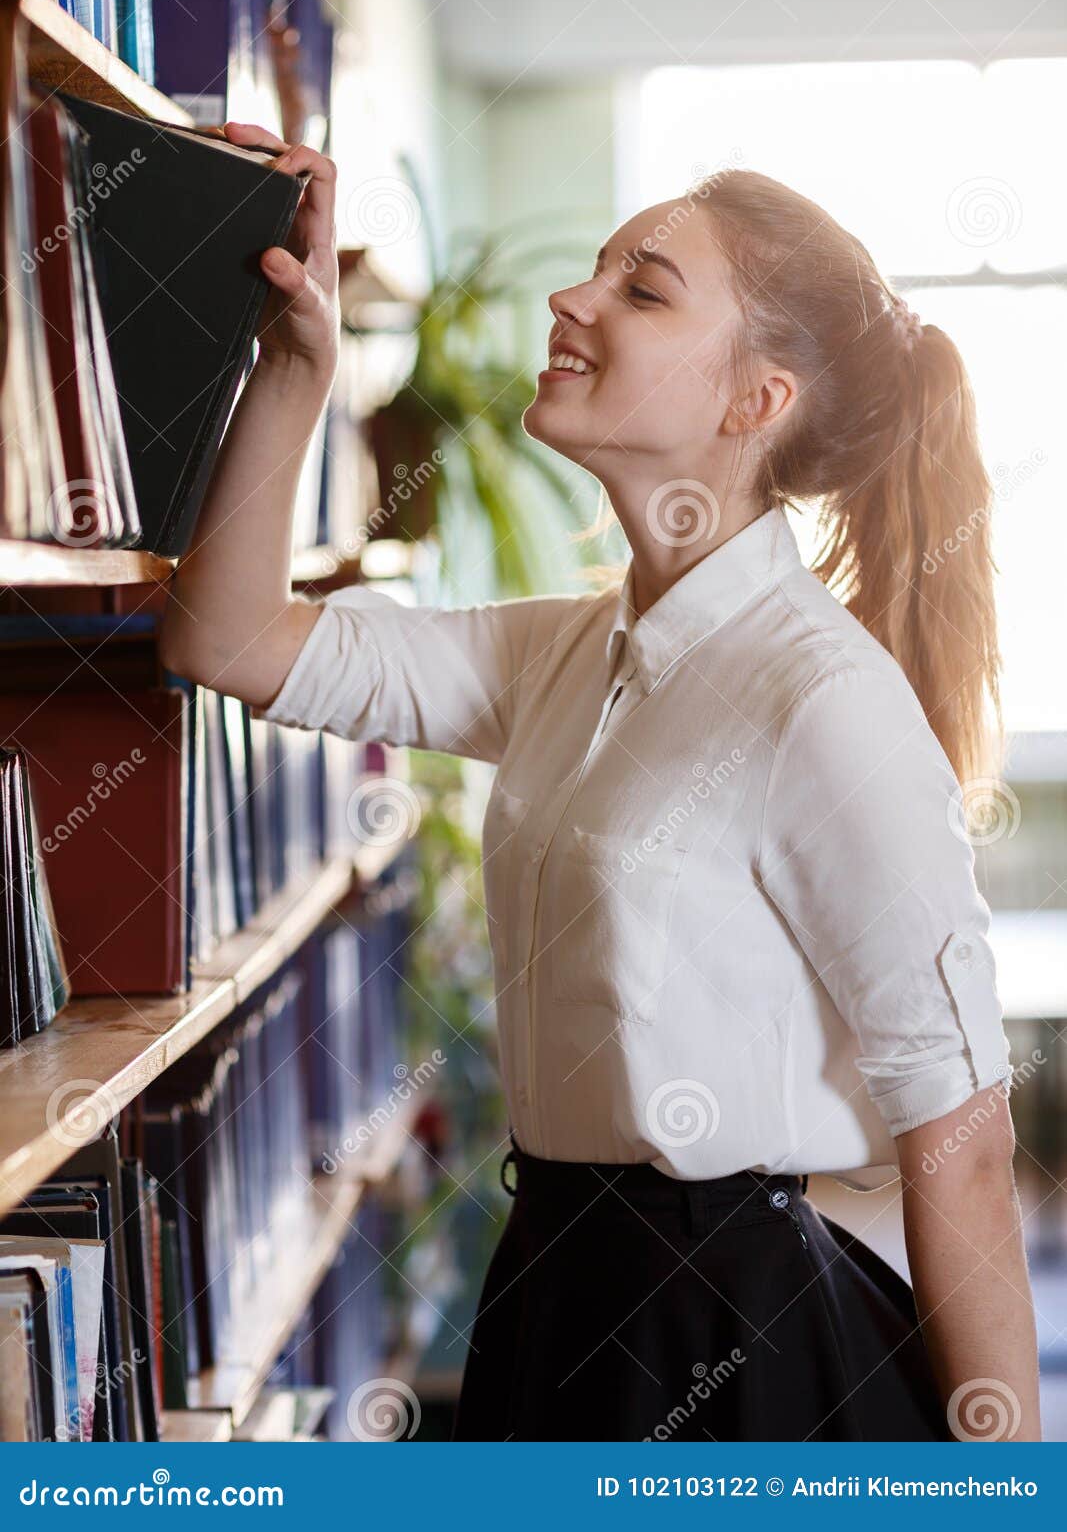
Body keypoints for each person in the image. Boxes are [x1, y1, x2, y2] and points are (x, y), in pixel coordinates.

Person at [160, 125, 1041, 1443]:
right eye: (596, 270)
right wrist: (298, 367)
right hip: (553, 1285)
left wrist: (1005, 1488)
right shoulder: (566, 651)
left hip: (726, 1338)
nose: (572, 301)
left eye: (642, 289)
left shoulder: (827, 699)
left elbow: (962, 1141)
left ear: (756, 402)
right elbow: (224, 641)